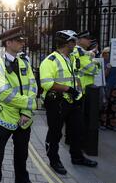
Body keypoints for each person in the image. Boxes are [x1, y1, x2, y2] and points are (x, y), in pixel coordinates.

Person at [0, 27, 41, 183]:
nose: (22, 42)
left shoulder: (24, 61)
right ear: (8, 43)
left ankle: (22, 179)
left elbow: (33, 86)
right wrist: (27, 104)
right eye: (18, 40)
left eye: (22, 40)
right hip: (5, 117)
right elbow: (2, 93)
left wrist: (26, 111)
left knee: (22, 152)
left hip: (24, 118)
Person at [39, 30, 98, 175]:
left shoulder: (70, 58)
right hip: (57, 102)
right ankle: (54, 160)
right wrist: (68, 89)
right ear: (67, 43)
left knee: (77, 130)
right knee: (55, 133)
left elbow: (75, 75)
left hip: (73, 102)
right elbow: (46, 83)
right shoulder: (50, 60)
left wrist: (77, 88)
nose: (75, 43)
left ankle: (77, 157)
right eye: (73, 41)